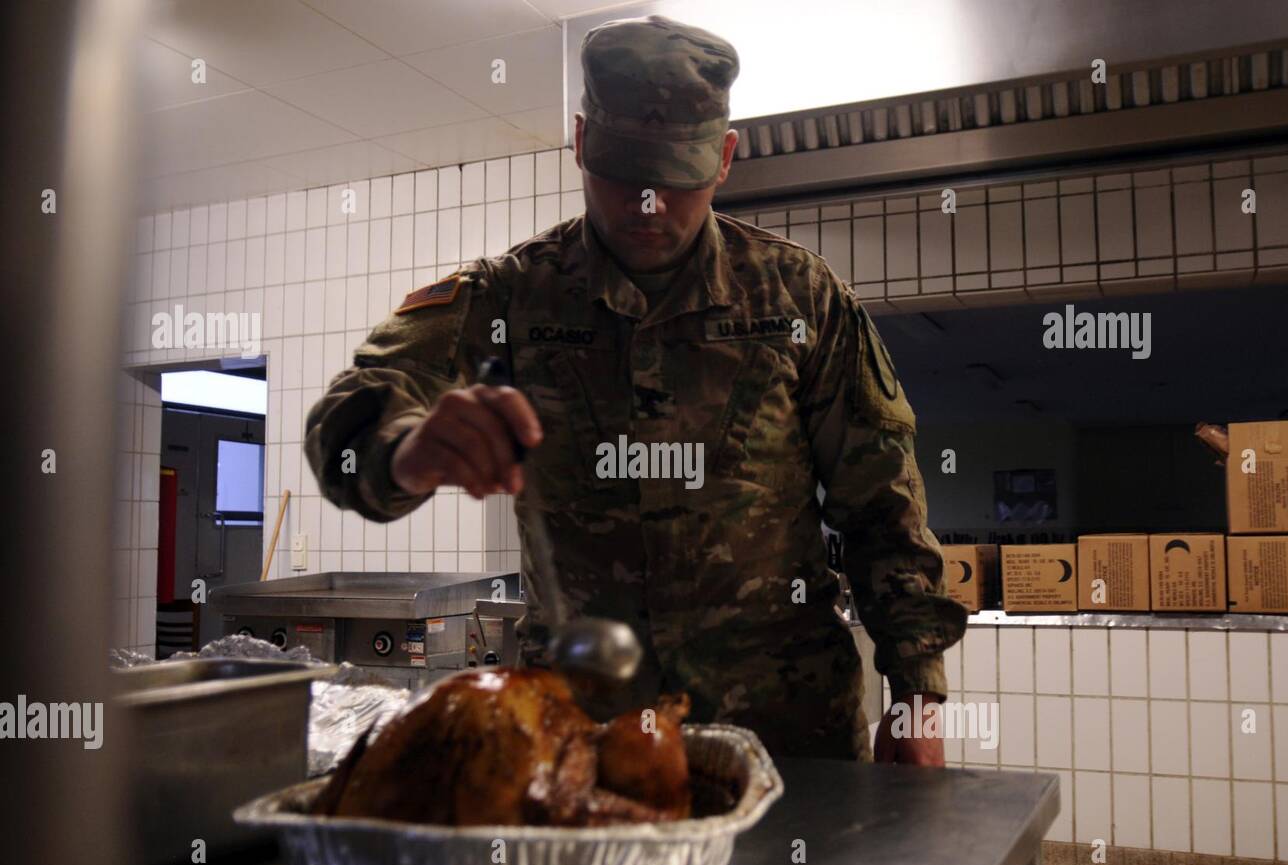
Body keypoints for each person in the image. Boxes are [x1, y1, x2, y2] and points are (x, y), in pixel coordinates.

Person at [305, 14, 967, 764]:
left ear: (723, 159)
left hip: (786, 734)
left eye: (675, 175)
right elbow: (345, 429)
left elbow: (882, 503)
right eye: (625, 171)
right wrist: (404, 454)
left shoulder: (798, 300)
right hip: (579, 740)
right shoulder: (511, 297)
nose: (648, 203)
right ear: (582, 143)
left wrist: (918, 696)